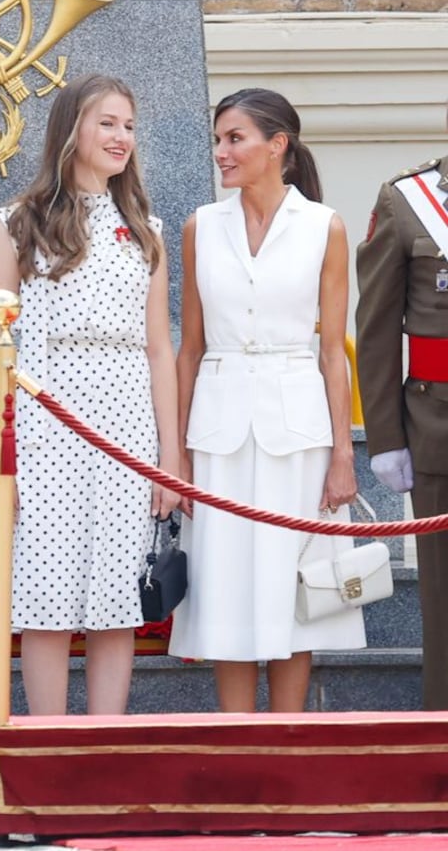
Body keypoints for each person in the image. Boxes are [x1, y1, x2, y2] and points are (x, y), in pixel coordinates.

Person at [0, 73, 180, 716]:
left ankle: (102, 751)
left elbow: (159, 351)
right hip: (44, 425)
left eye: (128, 126)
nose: (121, 137)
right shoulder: (17, 223)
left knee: (118, 595)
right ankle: (47, 752)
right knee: (45, 592)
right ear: (72, 130)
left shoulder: (144, 228)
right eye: (107, 123)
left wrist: (167, 461)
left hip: (126, 426)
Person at [168, 87, 366, 712]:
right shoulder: (201, 226)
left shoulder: (322, 227)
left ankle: (287, 756)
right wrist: (175, 455)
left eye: (236, 138)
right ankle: (234, 755)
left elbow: (333, 351)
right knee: (224, 593)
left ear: (276, 145)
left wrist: (343, 454)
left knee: (292, 593)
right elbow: (189, 349)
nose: (222, 152)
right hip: (217, 431)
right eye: (220, 139)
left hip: (297, 430)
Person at [356, 155, 448, 710]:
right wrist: (386, 436)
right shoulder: (408, 200)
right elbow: (377, 329)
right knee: (443, 603)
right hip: (439, 426)